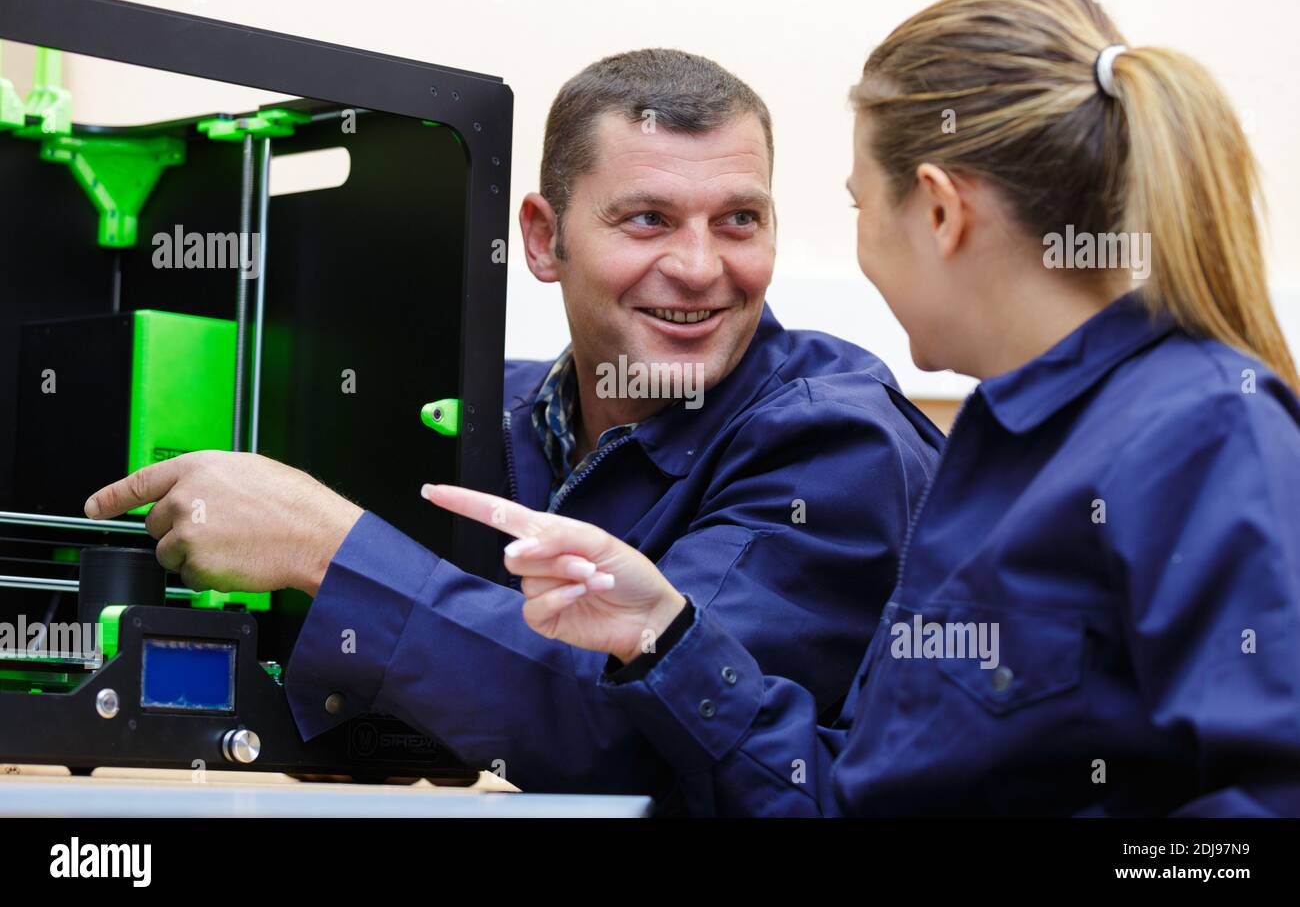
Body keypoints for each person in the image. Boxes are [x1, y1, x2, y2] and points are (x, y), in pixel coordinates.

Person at [426, 0, 1300, 816]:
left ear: (939, 212)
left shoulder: (1202, 433)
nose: (701, 267)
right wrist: (664, 633)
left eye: (859, 206)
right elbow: (856, 800)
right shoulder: (1002, 447)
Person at [83, 49, 942, 801]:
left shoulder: (834, 444)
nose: (698, 266)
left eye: (739, 221)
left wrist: (326, 551)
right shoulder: (486, 413)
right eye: (648, 219)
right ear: (541, 238)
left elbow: (643, 731)